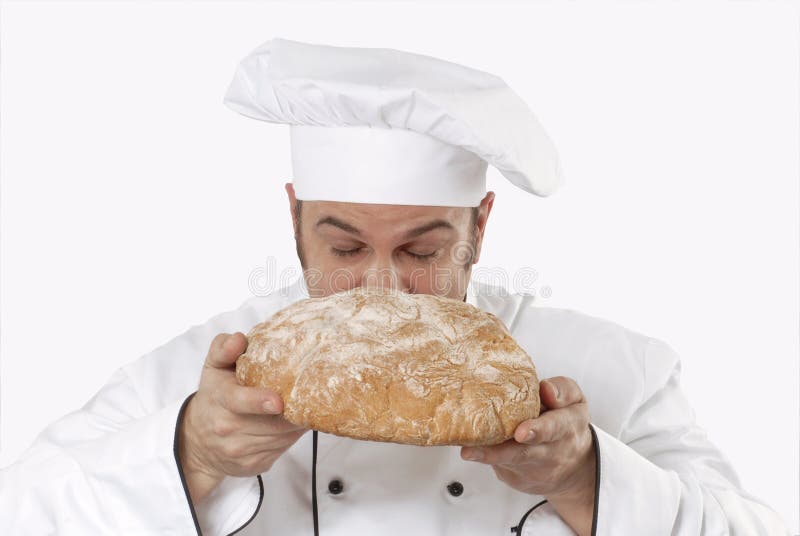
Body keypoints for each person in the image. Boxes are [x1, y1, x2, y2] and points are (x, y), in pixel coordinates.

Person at [0, 37, 791, 536]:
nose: (381, 285)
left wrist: (587, 478)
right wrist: (189, 454)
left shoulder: (615, 368)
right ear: (293, 218)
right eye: (344, 244)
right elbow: (22, 513)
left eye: (423, 248)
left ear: (480, 226)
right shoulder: (209, 371)